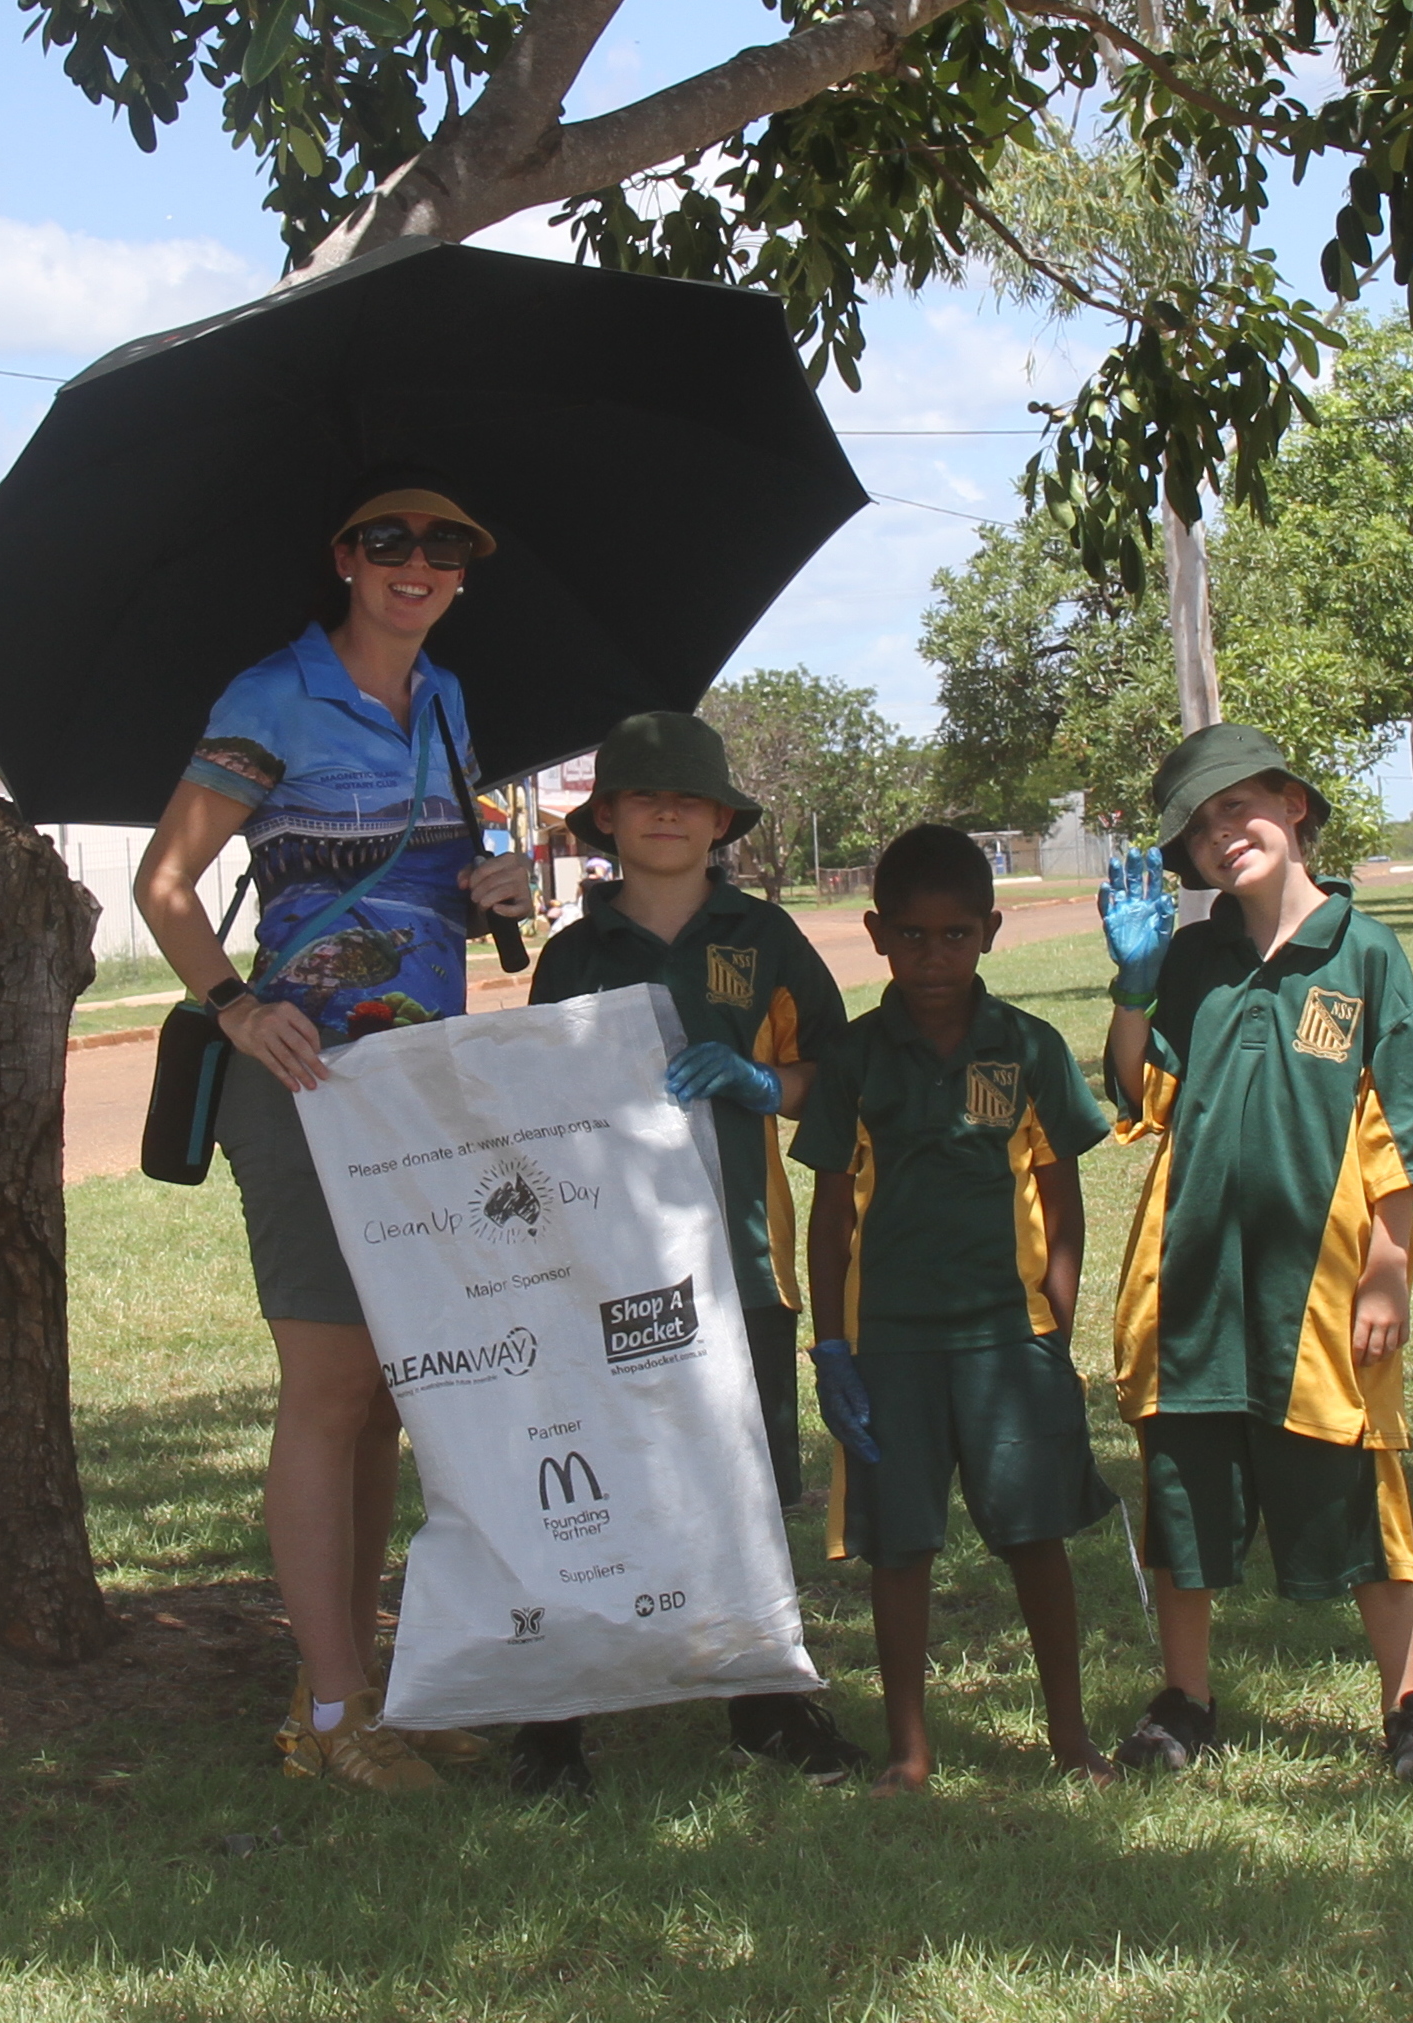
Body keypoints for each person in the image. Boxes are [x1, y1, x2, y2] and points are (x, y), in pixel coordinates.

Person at [135, 483, 535, 1792]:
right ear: (344, 561)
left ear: (465, 575)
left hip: (423, 1083)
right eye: (387, 543)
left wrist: (499, 886)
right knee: (327, 1390)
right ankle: (323, 1714)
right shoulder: (274, 695)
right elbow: (166, 881)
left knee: (383, 1403)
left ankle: (361, 1690)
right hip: (308, 1085)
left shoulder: (449, 701)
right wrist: (238, 1008)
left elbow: (444, 884)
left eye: (443, 548)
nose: (413, 565)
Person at [1099, 723, 1413, 1780]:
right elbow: (1138, 1097)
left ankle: (1406, 1707)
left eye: (1239, 807)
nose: (1224, 836)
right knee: (1182, 1492)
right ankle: (1184, 1700)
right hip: (1188, 1285)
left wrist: (1389, 1267)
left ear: (1293, 803)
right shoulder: (1191, 958)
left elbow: (1400, 1125)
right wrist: (1132, 989)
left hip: (1316, 1292)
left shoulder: (1362, 951)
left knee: (1356, 1484)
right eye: (1201, 827)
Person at [509, 711, 868, 1797]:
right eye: (642, 796)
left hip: (741, 1260)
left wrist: (768, 1086)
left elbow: (835, 1074)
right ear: (605, 819)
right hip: (598, 1267)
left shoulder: (763, 940)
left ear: (720, 822)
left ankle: (761, 1699)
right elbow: (530, 1106)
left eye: (689, 798)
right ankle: (558, 1712)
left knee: (742, 1483)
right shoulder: (574, 954)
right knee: (592, 1483)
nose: (667, 812)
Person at [791, 825, 1118, 1795]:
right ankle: (908, 1750)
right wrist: (832, 1345)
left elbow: (1059, 1197)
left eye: (955, 936)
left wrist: (1052, 1324)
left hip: (1004, 1342)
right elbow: (830, 1216)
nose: (933, 957)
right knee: (901, 1548)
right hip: (889, 1349)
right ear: (876, 934)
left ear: (989, 933)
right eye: (912, 936)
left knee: (1032, 1535)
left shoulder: (1026, 1047)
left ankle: (1069, 1738)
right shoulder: (853, 1058)